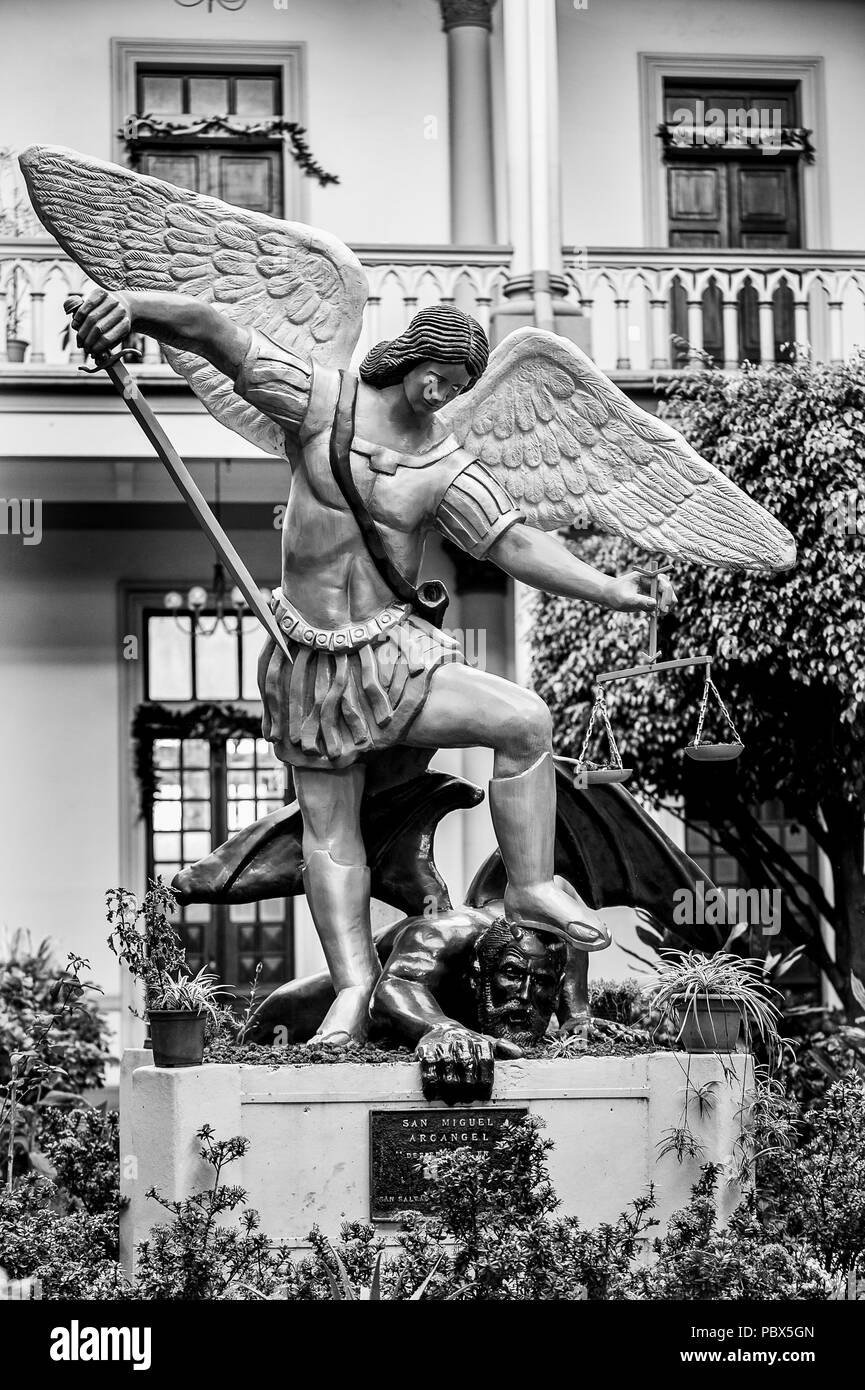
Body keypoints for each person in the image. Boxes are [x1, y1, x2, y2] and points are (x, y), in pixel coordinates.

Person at [71, 290, 675, 1045]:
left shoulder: (445, 461)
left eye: (459, 385)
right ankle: (353, 990)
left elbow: (514, 544)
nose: (444, 393)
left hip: (394, 653)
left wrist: (610, 588)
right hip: (307, 662)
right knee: (331, 837)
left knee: (524, 721)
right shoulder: (321, 403)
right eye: (441, 375)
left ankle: (530, 882)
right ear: (410, 354)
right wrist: (129, 308)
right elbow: (221, 332)